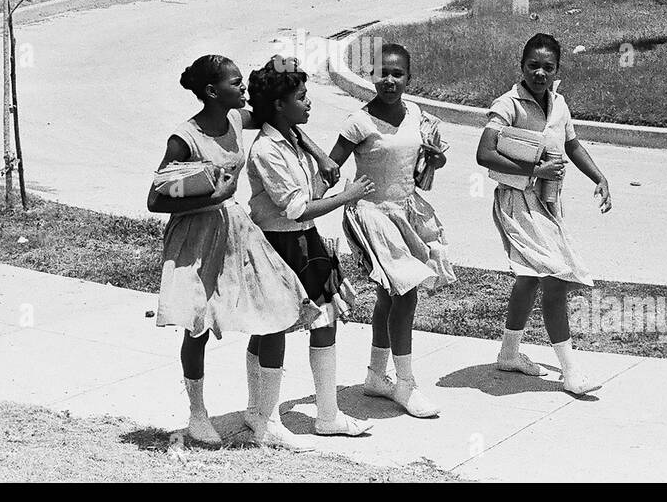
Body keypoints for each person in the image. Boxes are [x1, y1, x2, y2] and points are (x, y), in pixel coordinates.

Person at [148, 55, 320, 450]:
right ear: (212, 91)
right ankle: (196, 415)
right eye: (236, 83)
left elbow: (280, 119)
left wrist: (319, 154)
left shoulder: (237, 120)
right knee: (198, 324)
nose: (243, 90)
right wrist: (214, 195)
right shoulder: (184, 138)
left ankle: (265, 418)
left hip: (237, 230)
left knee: (277, 307)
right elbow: (156, 199)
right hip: (194, 235)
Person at [475, 33, 612, 396]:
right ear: (521, 67)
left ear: (557, 71)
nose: (539, 73)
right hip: (518, 203)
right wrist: (535, 173)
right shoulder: (508, 105)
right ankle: (571, 373)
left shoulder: (560, 104)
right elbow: (484, 153)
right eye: (533, 66)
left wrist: (599, 177)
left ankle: (508, 353)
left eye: (547, 67)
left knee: (529, 279)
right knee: (555, 279)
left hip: (549, 203)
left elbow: (571, 143)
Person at [246, 56, 376, 438]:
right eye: (301, 97)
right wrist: (347, 195)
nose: (308, 103)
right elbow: (295, 208)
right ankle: (264, 418)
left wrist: (324, 176)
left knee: (324, 321)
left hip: (306, 241)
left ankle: (328, 415)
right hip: (277, 245)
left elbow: (308, 197)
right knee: (271, 329)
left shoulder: (295, 142)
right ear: (279, 105)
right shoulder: (266, 150)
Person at [329, 43, 456, 419]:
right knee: (406, 292)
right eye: (382, 72)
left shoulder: (417, 114)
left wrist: (437, 159)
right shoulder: (359, 121)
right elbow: (330, 166)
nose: (388, 79)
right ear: (371, 77)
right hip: (372, 213)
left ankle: (374, 375)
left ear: (408, 79)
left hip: (408, 211)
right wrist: (313, 198)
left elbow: (430, 162)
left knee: (391, 294)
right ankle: (405, 383)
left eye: (397, 74)